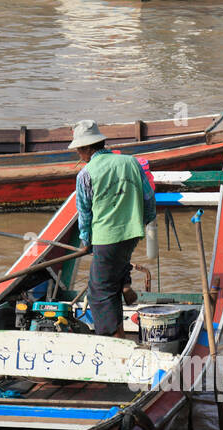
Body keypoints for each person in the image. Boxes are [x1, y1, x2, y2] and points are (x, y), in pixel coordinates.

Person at [71, 120, 156, 338]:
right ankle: (124, 291)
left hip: (105, 236)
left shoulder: (85, 174)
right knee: (113, 275)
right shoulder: (132, 163)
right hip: (132, 233)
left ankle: (111, 340)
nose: (79, 154)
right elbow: (148, 197)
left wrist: (86, 241)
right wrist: (145, 221)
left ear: (89, 148)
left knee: (99, 292)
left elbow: (85, 213)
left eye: (80, 149)